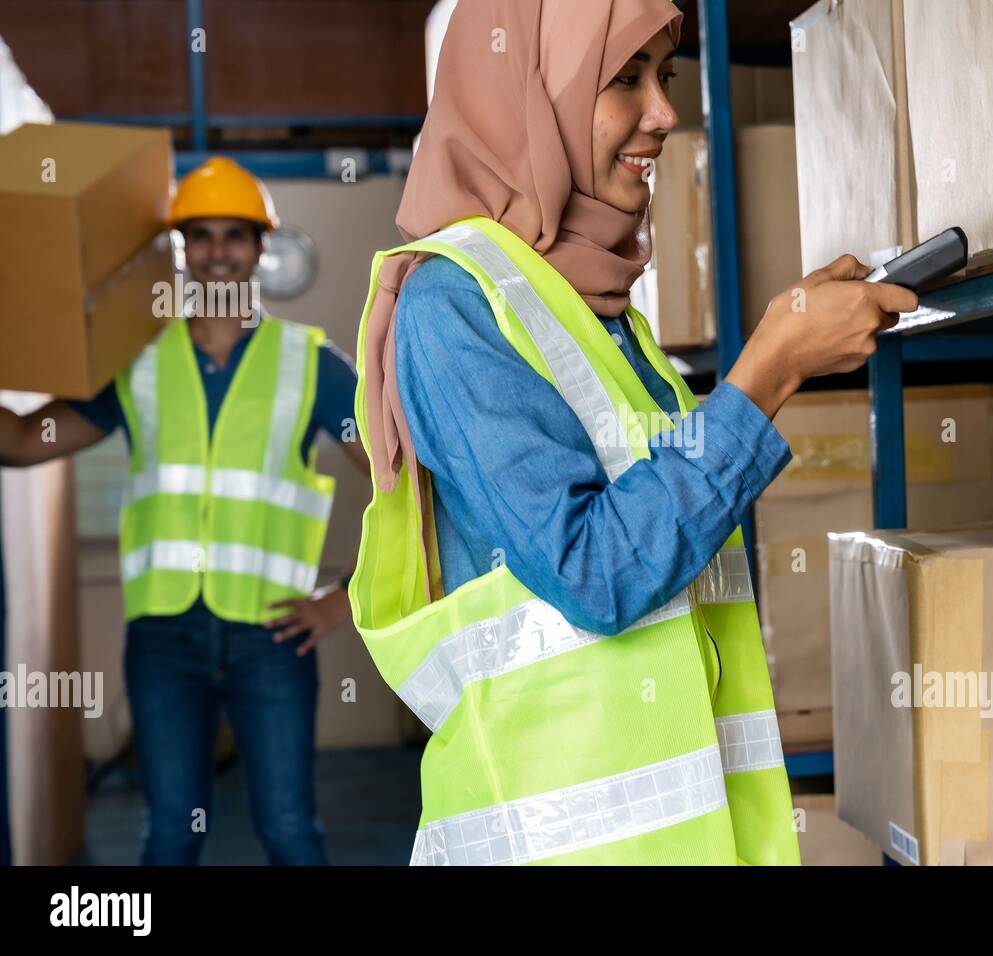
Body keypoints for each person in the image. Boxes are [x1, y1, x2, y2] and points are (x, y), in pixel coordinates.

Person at [348, 0, 918, 866]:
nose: (664, 114)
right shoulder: (453, 306)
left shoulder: (599, 311)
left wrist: (777, 348)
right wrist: (770, 369)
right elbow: (596, 571)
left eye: (667, 76)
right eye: (625, 80)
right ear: (530, 93)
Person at [0, 157, 369, 865]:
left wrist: (341, 601)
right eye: (200, 235)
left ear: (263, 248)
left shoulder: (313, 366)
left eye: (237, 234)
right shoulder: (134, 361)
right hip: (165, 641)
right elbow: (21, 441)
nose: (218, 252)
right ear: (179, 249)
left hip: (272, 638)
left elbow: (406, 490)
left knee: (290, 830)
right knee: (171, 834)